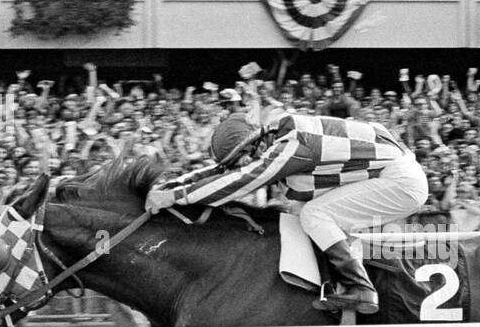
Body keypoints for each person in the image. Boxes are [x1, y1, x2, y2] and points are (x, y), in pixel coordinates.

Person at [146, 108, 427, 315]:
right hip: (389, 173)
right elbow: (221, 172)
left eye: (242, 157)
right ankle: (327, 285)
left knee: (314, 214)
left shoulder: (292, 145)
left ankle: (361, 288)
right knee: (300, 210)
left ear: (254, 143)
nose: (242, 164)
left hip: (400, 181)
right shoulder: (277, 135)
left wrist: (175, 196)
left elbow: (242, 181)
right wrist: (169, 187)